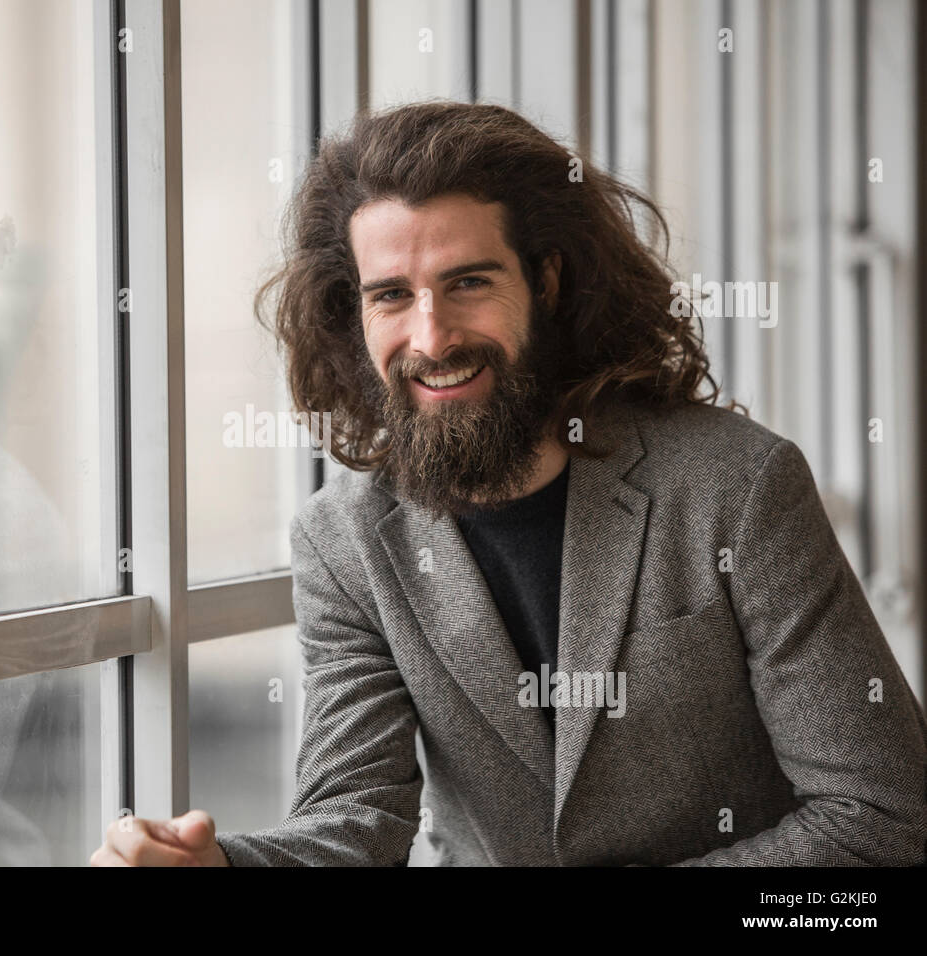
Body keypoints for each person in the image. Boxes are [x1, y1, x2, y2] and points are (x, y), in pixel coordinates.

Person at [89, 101, 927, 867]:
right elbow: (356, 818)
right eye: (392, 296)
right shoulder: (341, 538)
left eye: (469, 283)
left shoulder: (736, 483)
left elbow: (882, 818)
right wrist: (219, 866)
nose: (432, 335)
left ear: (548, 282)